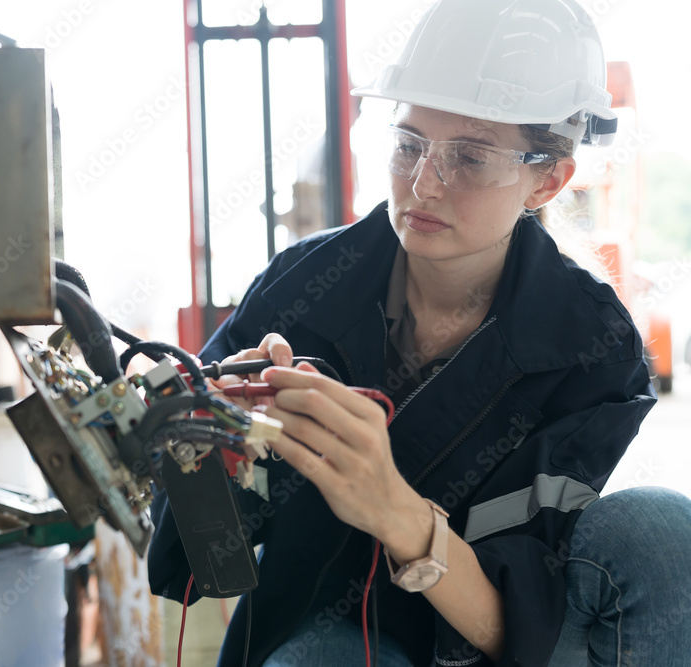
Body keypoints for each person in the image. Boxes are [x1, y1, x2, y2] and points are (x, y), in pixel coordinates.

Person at [147, 0, 691, 665]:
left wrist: (397, 513)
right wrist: (220, 445)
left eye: (469, 157)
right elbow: (204, 559)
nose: (424, 183)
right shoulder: (302, 288)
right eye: (408, 144)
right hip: (331, 636)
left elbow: (527, 626)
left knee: (664, 530)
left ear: (548, 178)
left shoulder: (590, 346)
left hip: (499, 638)